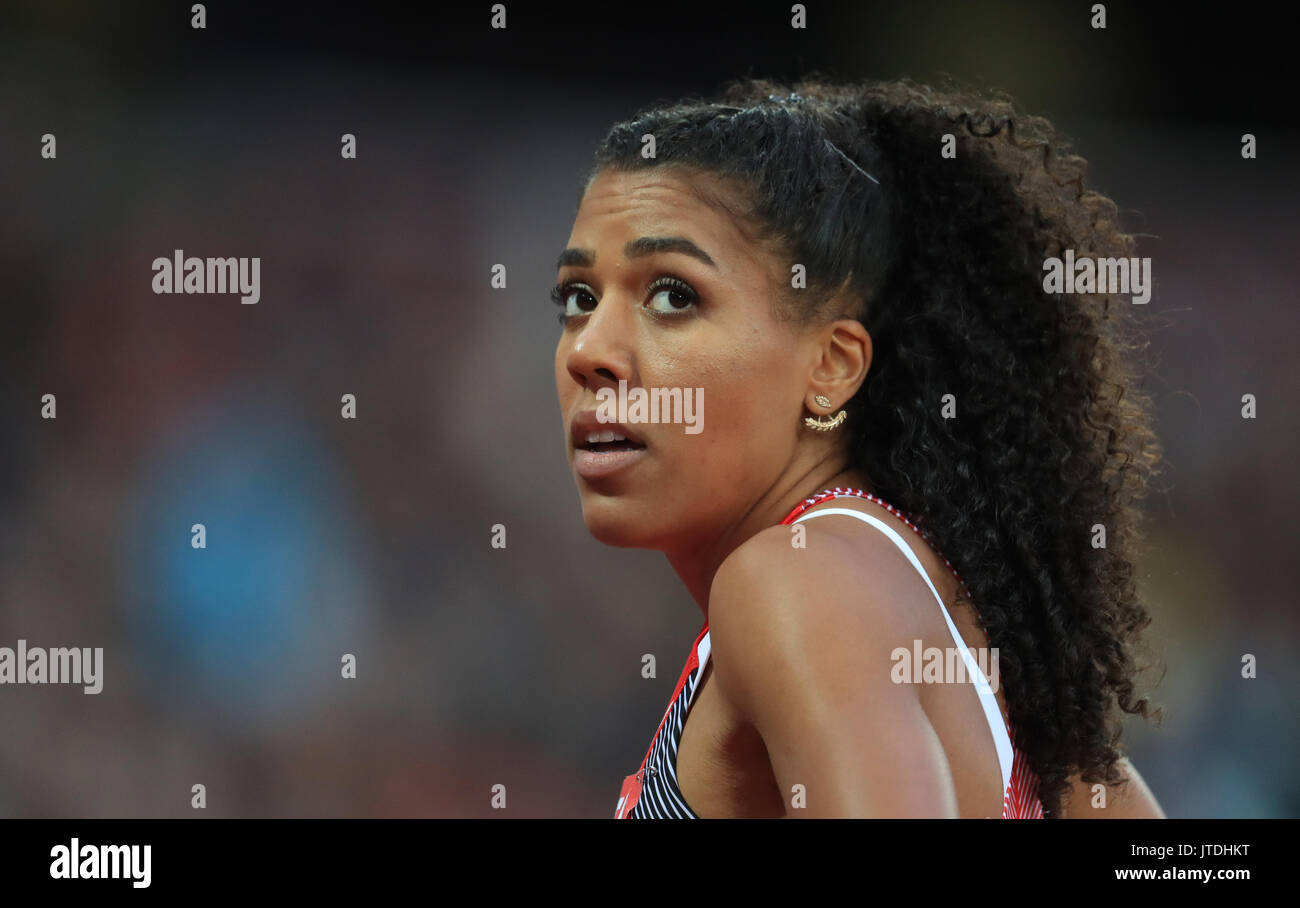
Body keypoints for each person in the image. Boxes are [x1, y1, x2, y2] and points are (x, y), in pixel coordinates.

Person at [552, 75, 1164, 818]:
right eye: (578, 298)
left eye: (673, 295)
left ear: (832, 366)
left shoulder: (794, 582)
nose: (590, 350)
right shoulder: (990, 660)